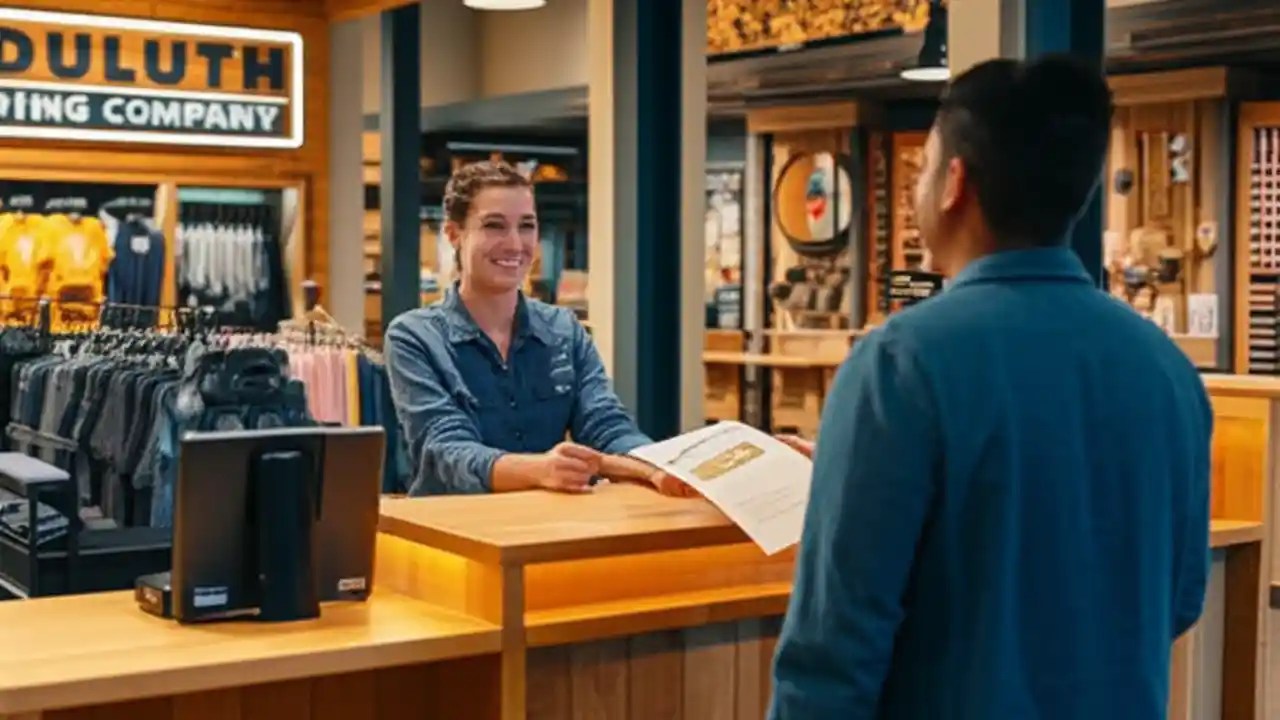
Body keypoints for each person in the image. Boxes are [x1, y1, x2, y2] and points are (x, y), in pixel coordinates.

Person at [769, 56, 1211, 719]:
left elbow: (833, 651)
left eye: (920, 171)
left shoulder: (898, 366)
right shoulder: (1167, 371)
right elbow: (1178, 599)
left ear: (953, 182)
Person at [385, 160, 691, 498]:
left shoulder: (564, 330)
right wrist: (541, 469)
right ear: (454, 234)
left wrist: (658, 468)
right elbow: (446, 452)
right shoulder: (414, 338)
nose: (515, 244)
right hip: (453, 534)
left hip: (544, 530)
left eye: (527, 226)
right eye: (494, 226)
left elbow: (606, 425)